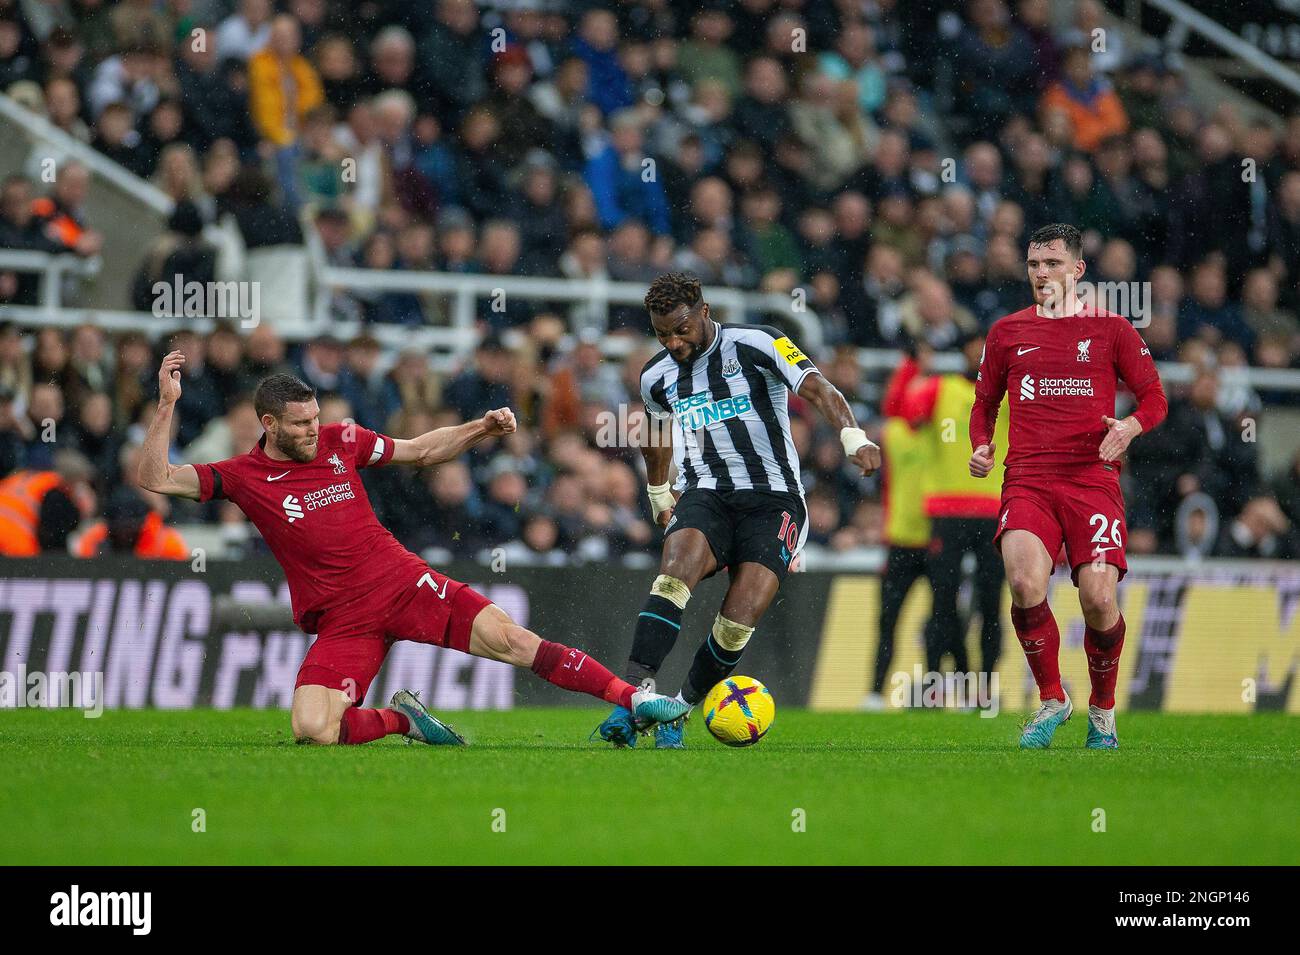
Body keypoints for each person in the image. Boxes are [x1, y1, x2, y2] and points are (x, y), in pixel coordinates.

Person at [137, 352, 689, 747]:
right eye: (301, 425)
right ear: (268, 424)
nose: (313, 431)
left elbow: (421, 451)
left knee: (512, 640)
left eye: (315, 420)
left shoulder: (341, 441)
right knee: (313, 730)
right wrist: (166, 405)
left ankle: (634, 700)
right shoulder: (241, 476)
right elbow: (156, 477)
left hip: (403, 583)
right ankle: (403, 720)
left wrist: (479, 428)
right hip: (345, 620)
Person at [596, 272, 881, 748]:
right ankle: (635, 695)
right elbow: (656, 435)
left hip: (774, 499)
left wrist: (854, 436)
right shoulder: (656, 376)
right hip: (706, 494)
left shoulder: (759, 343)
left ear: (705, 312)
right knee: (672, 577)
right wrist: (658, 492)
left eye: (681, 328)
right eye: (662, 333)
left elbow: (818, 389)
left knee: (736, 621)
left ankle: (678, 713)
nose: (673, 342)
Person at [968, 223, 1167, 749]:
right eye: (1034, 264)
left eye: (1052, 264)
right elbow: (984, 402)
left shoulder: (1112, 329)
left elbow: (1155, 397)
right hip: (1028, 480)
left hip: (1091, 482)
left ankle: (1102, 711)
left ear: (1077, 269)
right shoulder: (1006, 332)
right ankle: (1053, 698)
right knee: (1025, 582)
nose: (1041, 273)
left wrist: (1128, 427)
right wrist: (981, 444)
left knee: (1100, 599)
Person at [897, 330, 1009, 697]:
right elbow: (901, 411)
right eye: (975, 347)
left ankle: (984, 685)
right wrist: (913, 365)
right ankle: (940, 681)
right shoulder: (940, 388)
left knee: (991, 601)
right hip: (948, 510)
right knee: (943, 599)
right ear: (964, 352)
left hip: (994, 510)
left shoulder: (1011, 393)